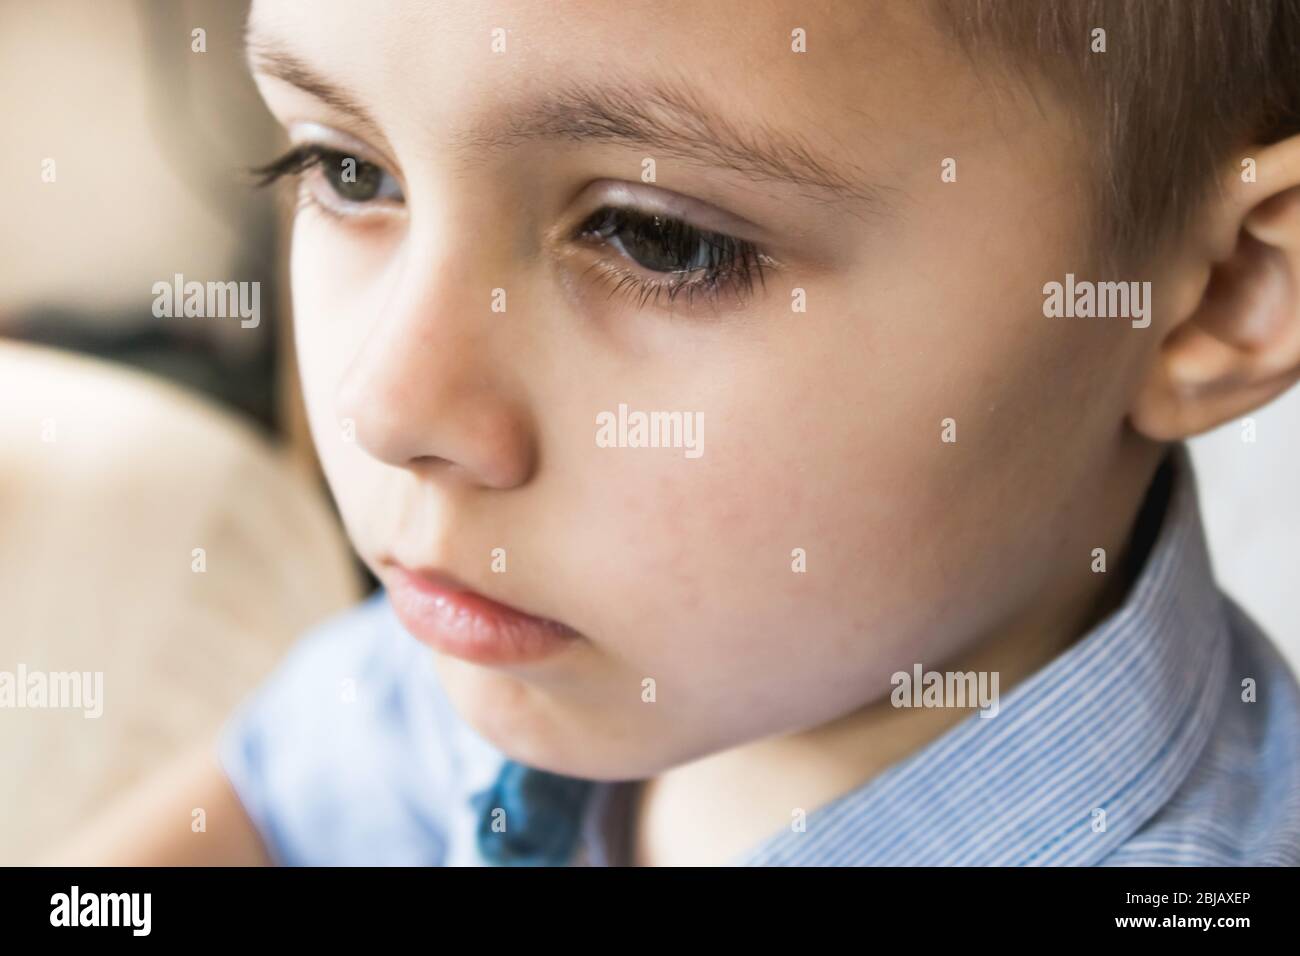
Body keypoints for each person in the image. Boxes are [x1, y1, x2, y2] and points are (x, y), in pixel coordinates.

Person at [51, 0, 1300, 866]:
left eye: (658, 239)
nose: (389, 408)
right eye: (347, 171)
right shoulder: (518, 633)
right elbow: (269, 801)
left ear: (1222, 297)